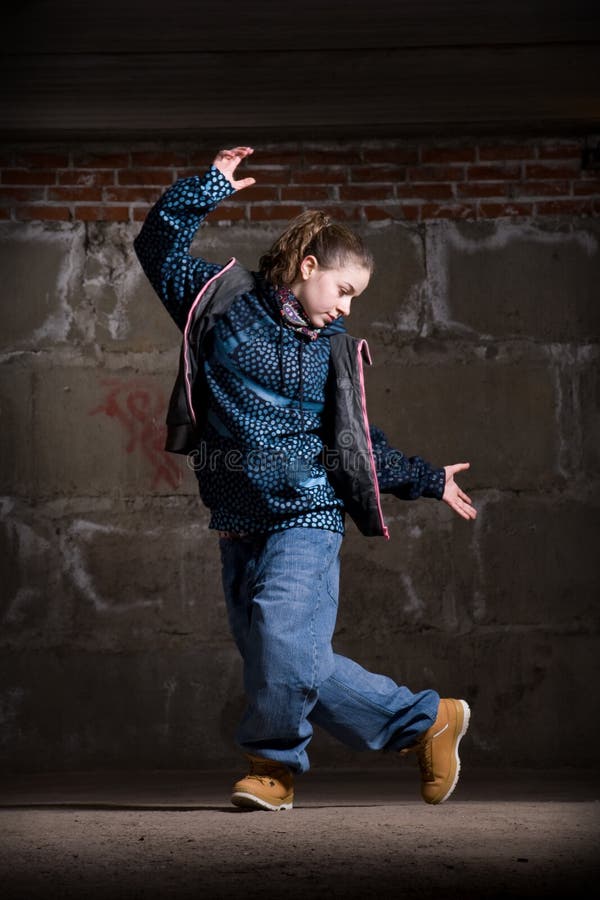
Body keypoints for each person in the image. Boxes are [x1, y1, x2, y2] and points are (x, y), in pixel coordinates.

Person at [133, 145, 478, 812]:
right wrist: (207, 187)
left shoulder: (334, 357)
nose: (347, 308)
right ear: (307, 267)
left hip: (306, 516)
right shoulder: (218, 302)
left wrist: (427, 478)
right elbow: (156, 246)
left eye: (357, 299)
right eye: (344, 291)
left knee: (284, 647)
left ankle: (273, 767)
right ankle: (426, 721)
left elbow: (359, 444)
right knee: (283, 662)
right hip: (238, 521)